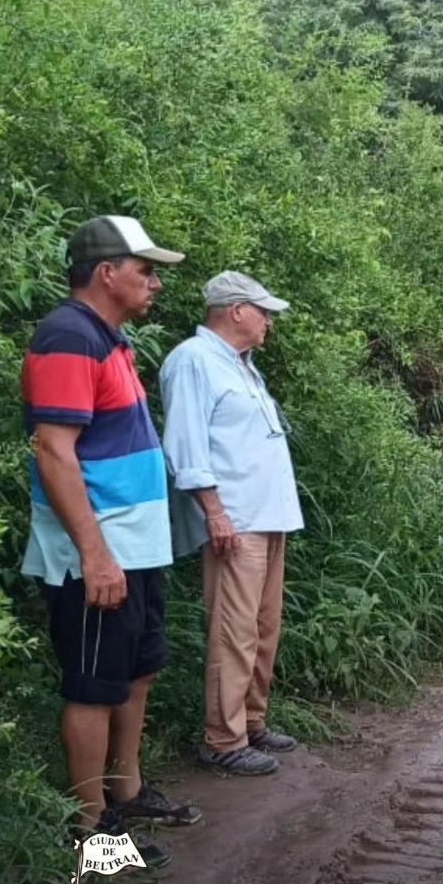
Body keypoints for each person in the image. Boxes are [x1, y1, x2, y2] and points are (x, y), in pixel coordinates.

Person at [21, 215, 200, 867]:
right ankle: (92, 830)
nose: (154, 282)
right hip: (99, 552)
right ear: (107, 273)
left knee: (137, 666)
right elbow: (54, 451)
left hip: (134, 547)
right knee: (94, 683)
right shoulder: (69, 336)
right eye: (145, 270)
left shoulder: (109, 339)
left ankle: (124, 790)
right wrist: (95, 553)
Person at [159, 271, 304, 777]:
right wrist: (214, 512)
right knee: (234, 630)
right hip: (235, 519)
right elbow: (186, 444)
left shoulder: (243, 366)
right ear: (236, 310)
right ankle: (223, 739)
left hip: (268, 517)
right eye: (263, 311)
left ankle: (253, 722)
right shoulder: (193, 361)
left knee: (264, 627)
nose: (268, 321)